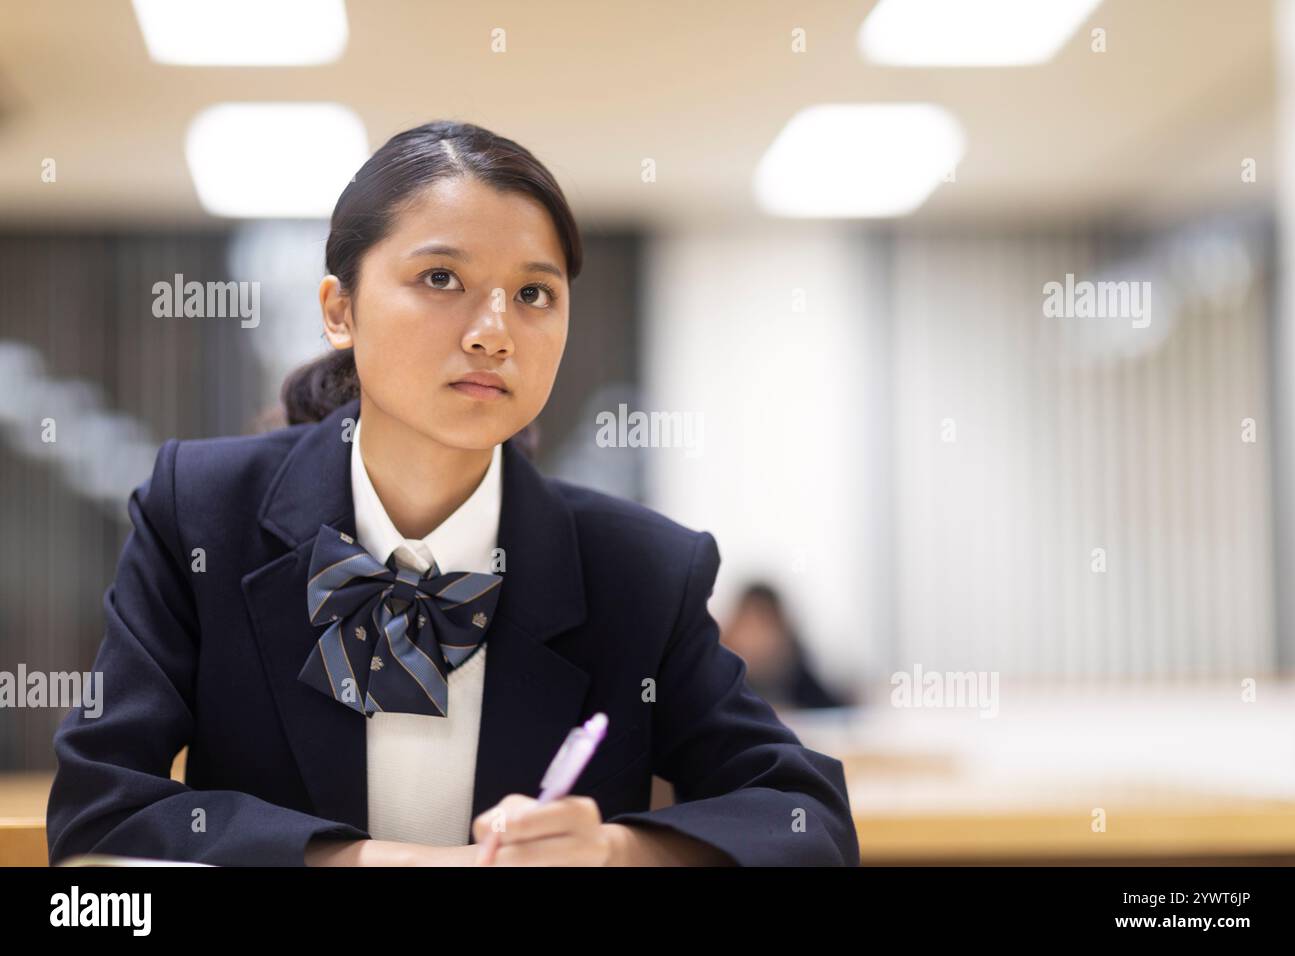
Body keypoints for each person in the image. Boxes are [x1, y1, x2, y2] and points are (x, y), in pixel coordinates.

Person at [45, 120, 858, 867]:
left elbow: (806, 820)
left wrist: (611, 852)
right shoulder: (200, 512)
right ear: (340, 309)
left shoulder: (640, 568)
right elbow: (99, 815)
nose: (494, 329)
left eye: (535, 294)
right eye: (441, 277)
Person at [722, 583, 851, 712]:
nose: (757, 637)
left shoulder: (793, 663)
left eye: (766, 625)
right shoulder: (721, 667)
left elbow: (828, 706)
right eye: (749, 626)